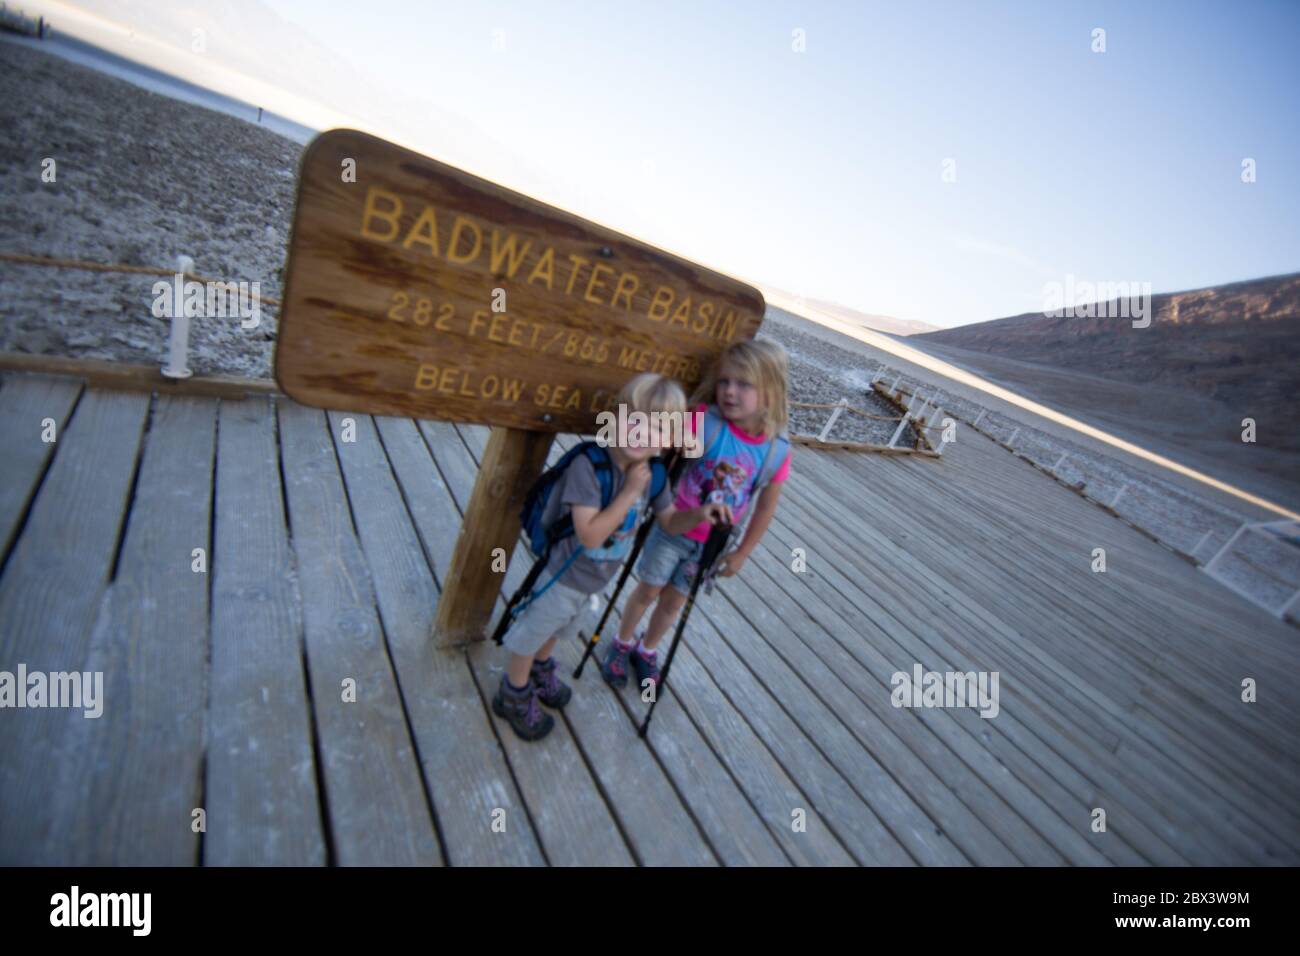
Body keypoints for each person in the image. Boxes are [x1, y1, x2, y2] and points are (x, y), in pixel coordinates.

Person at [493, 372, 688, 741]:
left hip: (593, 582)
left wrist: (704, 515)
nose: (642, 433)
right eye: (635, 419)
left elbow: (673, 522)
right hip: (561, 576)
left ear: (667, 441)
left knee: (559, 630)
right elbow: (590, 535)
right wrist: (630, 492)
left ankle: (539, 669)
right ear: (614, 417)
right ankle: (513, 693)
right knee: (531, 634)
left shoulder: (655, 473)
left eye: (657, 428)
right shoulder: (590, 467)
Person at [604, 338, 792, 692]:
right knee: (648, 590)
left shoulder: (776, 452)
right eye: (724, 381)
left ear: (770, 391)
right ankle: (622, 641)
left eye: (743, 384)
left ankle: (647, 649)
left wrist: (742, 553)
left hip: (711, 546)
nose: (729, 392)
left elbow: (766, 506)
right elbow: (657, 450)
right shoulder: (703, 422)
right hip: (672, 527)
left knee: (674, 602)